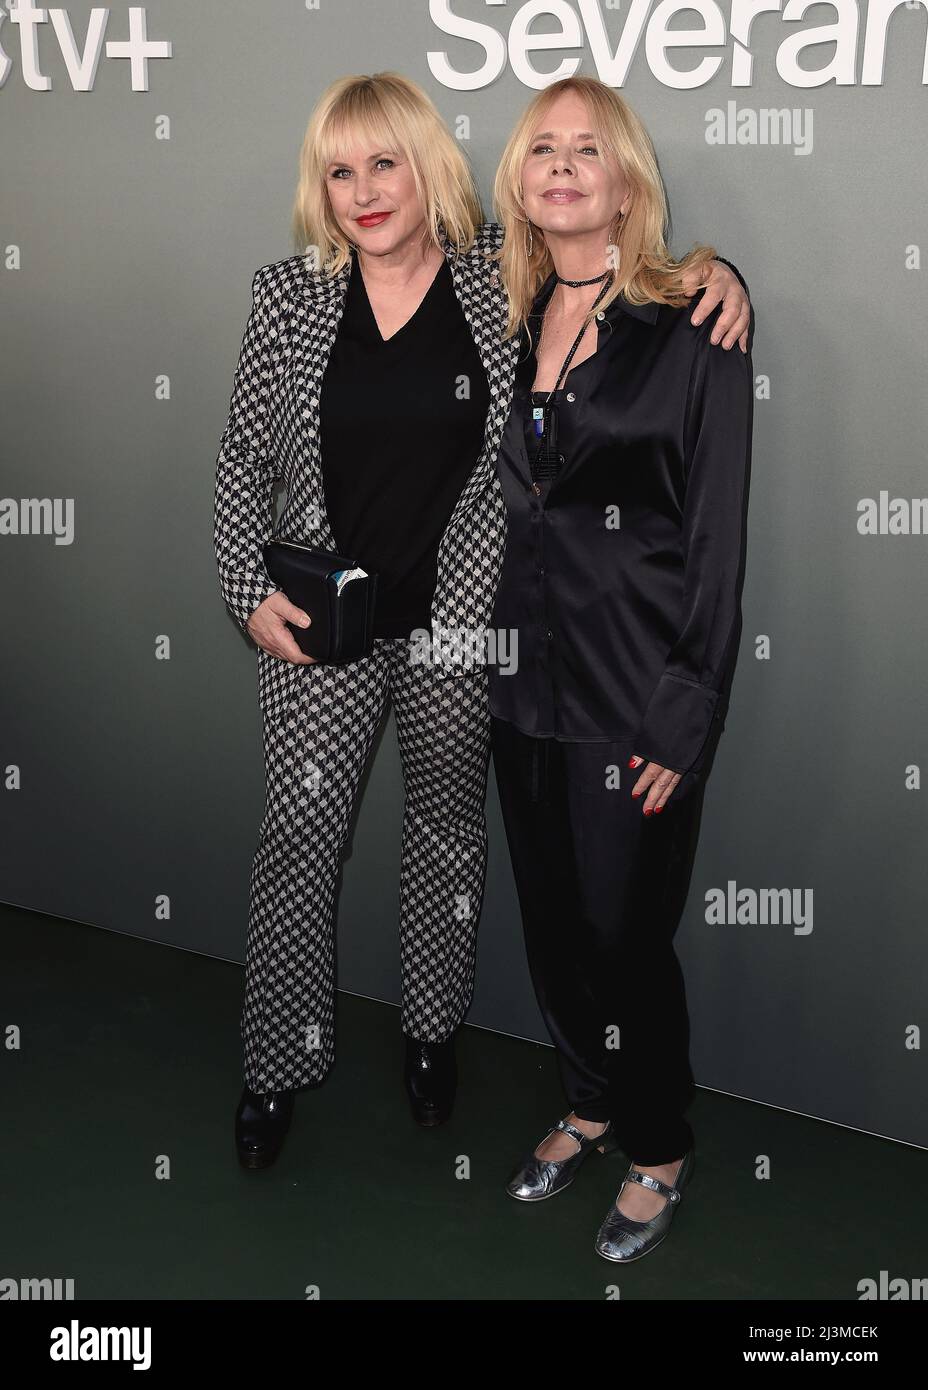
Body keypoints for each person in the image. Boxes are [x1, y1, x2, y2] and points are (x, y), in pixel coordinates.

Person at [212, 71, 751, 1171]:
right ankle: (273, 1068)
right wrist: (241, 584)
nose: (363, 190)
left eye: (384, 162)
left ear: (430, 169)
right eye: (339, 170)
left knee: (449, 839)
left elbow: (610, 251)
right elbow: (239, 457)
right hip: (323, 623)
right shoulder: (288, 295)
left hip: (465, 628)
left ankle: (428, 1037)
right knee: (297, 843)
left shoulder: (488, 278)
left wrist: (713, 270)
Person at [487, 76, 755, 1263]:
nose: (560, 165)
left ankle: (656, 1141)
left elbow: (716, 535)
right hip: (519, 681)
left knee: (624, 934)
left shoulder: (696, 322)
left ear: (627, 178)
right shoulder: (502, 309)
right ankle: (589, 1101)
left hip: (639, 692)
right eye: (540, 147)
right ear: (517, 178)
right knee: (552, 917)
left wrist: (685, 709)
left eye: (586, 149)